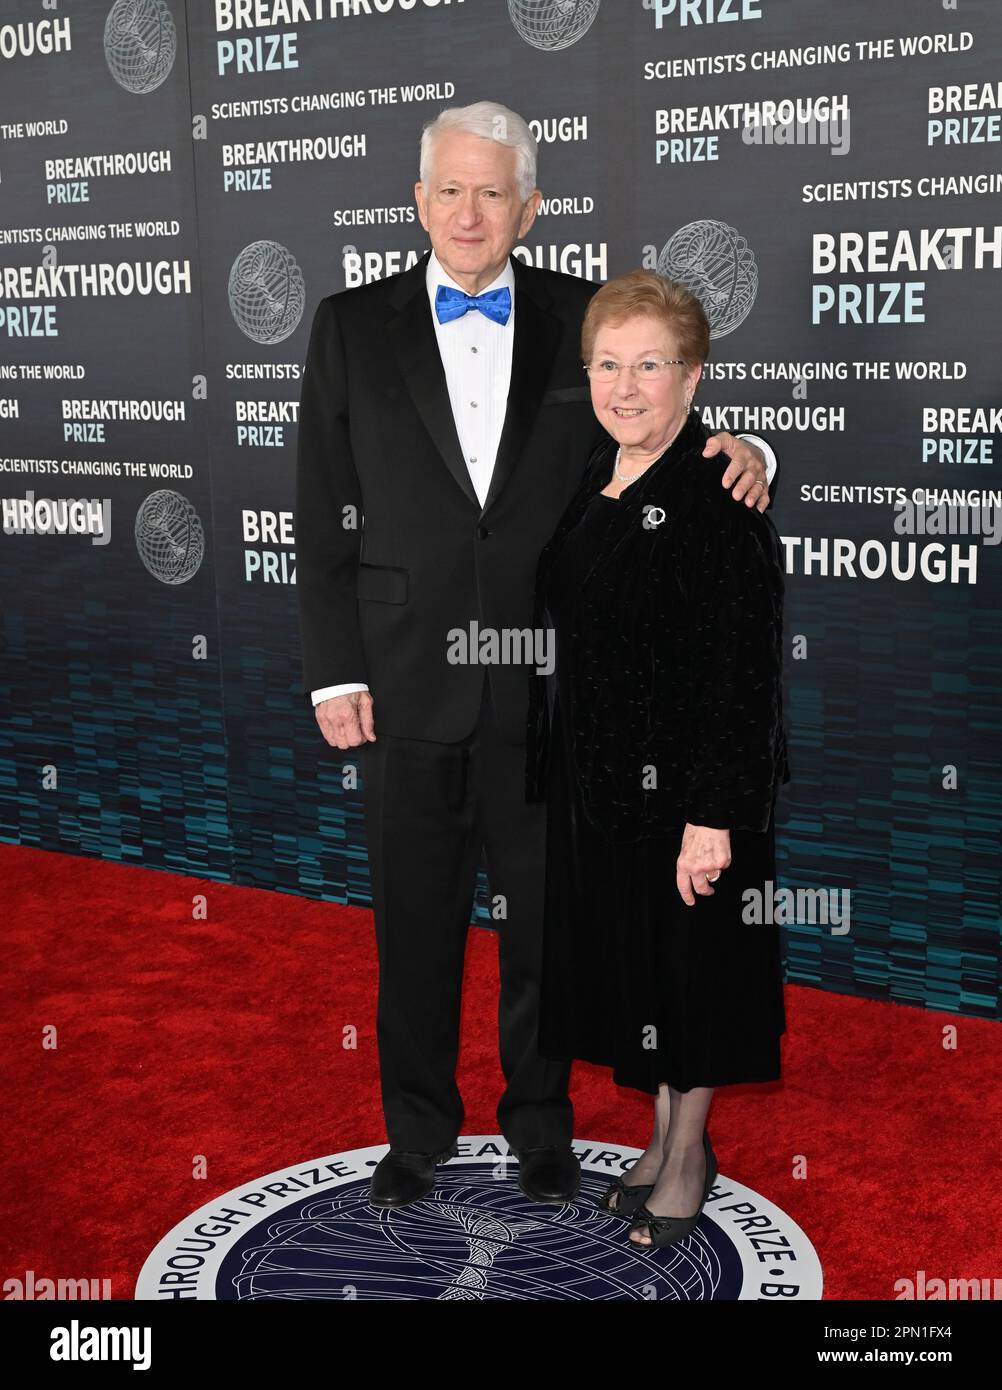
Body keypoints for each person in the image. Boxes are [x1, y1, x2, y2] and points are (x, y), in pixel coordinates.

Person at [295, 101, 778, 1210]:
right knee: (411, 929)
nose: (470, 211)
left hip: (558, 699)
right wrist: (335, 669)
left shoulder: (578, 315)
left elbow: (657, 412)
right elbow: (322, 513)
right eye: (450, 189)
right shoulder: (347, 324)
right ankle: (415, 1132)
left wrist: (754, 449)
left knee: (545, 937)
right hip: (405, 683)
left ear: (532, 205)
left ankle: (541, 1125)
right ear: (418, 201)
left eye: (493, 190)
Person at [525, 270, 788, 1250]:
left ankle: (689, 1155)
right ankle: (660, 1133)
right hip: (602, 788)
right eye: (608, 363)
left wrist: (714, 813)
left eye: (651, 365)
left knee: (693, 977)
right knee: (642, 977)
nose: (626, 386)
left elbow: (745, 670)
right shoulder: (598, 461)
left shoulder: (719, 491)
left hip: (690, 792)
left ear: (694, 376)